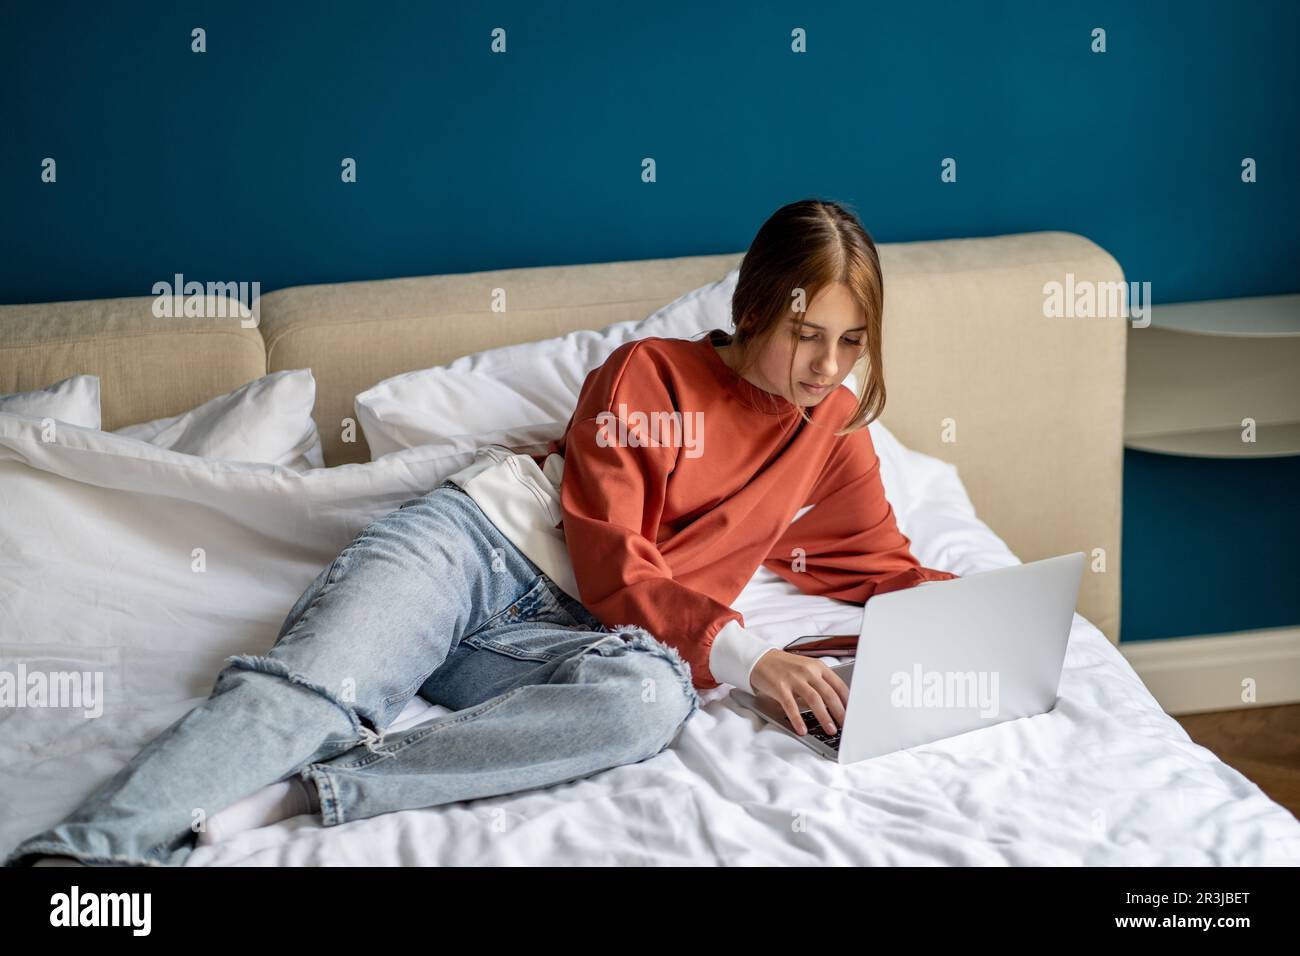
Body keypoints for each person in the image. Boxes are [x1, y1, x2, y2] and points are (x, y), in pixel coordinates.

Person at [6, 198, 956, 867]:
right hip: (470, 554)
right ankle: (76, 869)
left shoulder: (829, 430)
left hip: (556, 642)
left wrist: (991, 621)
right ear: (756, 309)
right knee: (306, 695)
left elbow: (876, 563)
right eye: (806, 334)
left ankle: (317, 792)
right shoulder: (648, 375)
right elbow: (612, 558)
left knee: (649, 698)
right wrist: (752, 659)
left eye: (851, 341)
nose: (826, 365)